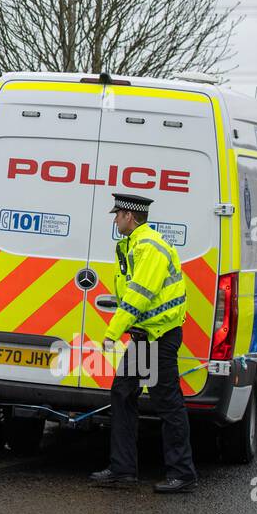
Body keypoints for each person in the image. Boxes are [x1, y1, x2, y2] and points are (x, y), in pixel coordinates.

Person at [89, 193, 198, 493]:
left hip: (159, 336)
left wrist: (112, 333)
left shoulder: (149, 247)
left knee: (167, 401)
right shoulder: (132, 245)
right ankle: (123, 471)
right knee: (123, 393)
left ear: (130, 216)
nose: (115, 220)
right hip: (145, 336)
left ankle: (182, 473)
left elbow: (139, 294)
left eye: (117, 214)